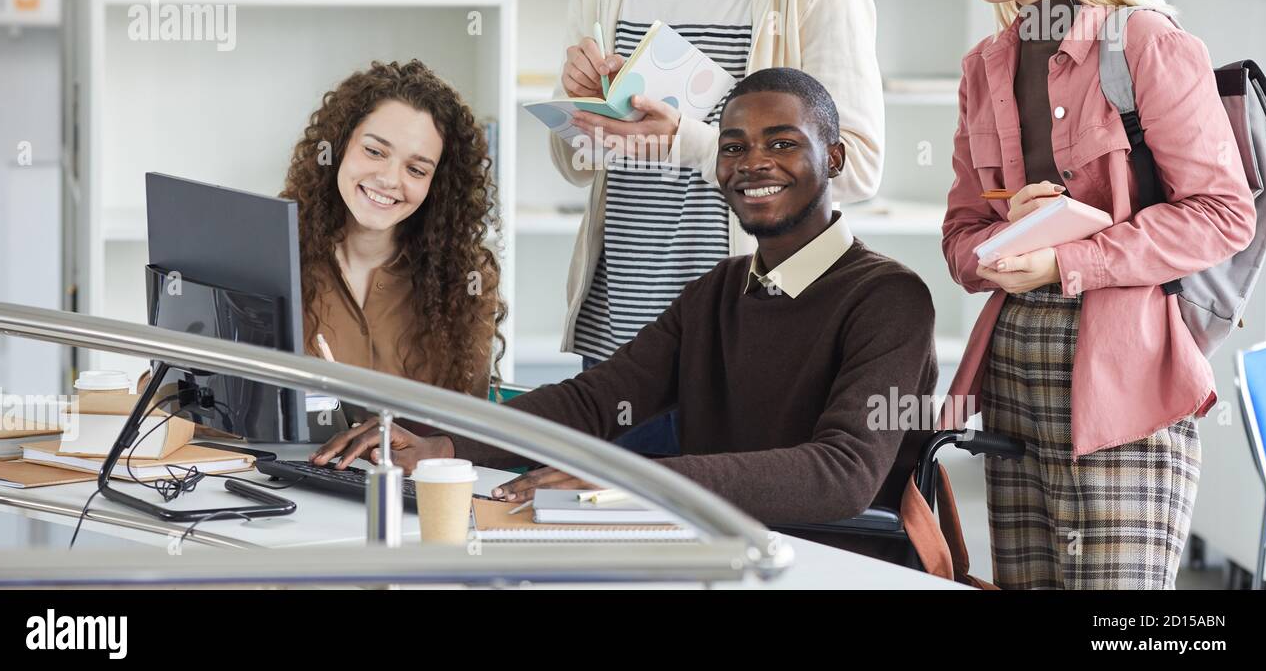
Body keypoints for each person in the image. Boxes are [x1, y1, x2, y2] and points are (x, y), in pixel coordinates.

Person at [313, 69, 936, 561]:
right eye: (734, 146)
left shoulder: (888, 299)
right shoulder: (717, 292)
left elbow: (843, 473)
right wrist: (444, 444)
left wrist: (628, 480)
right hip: (708, 553)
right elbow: (595, 400)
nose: (753, 163)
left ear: (834, 158)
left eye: (783, 143)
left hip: (828, 563)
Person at [553, 0, 883, 456]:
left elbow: (854, 164)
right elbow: (578, 164)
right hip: (618, 345)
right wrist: (580, 112)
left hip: (742, 353)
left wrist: (693, 142)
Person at [941, 0, 1257, 589]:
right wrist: (1003, 240)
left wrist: (1066, 259)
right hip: (1015, 376)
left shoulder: (1145, 44)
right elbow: (958, 236)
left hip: (1128, 383)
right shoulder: (985, 65)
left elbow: (1223, 213)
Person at [280, 60, 506, 403]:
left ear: (436, 184)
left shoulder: (468, 278)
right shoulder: (272, 255)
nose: (389, 179)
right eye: (374, 151)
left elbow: (463, 432)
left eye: (416, 169)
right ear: (339, 146)